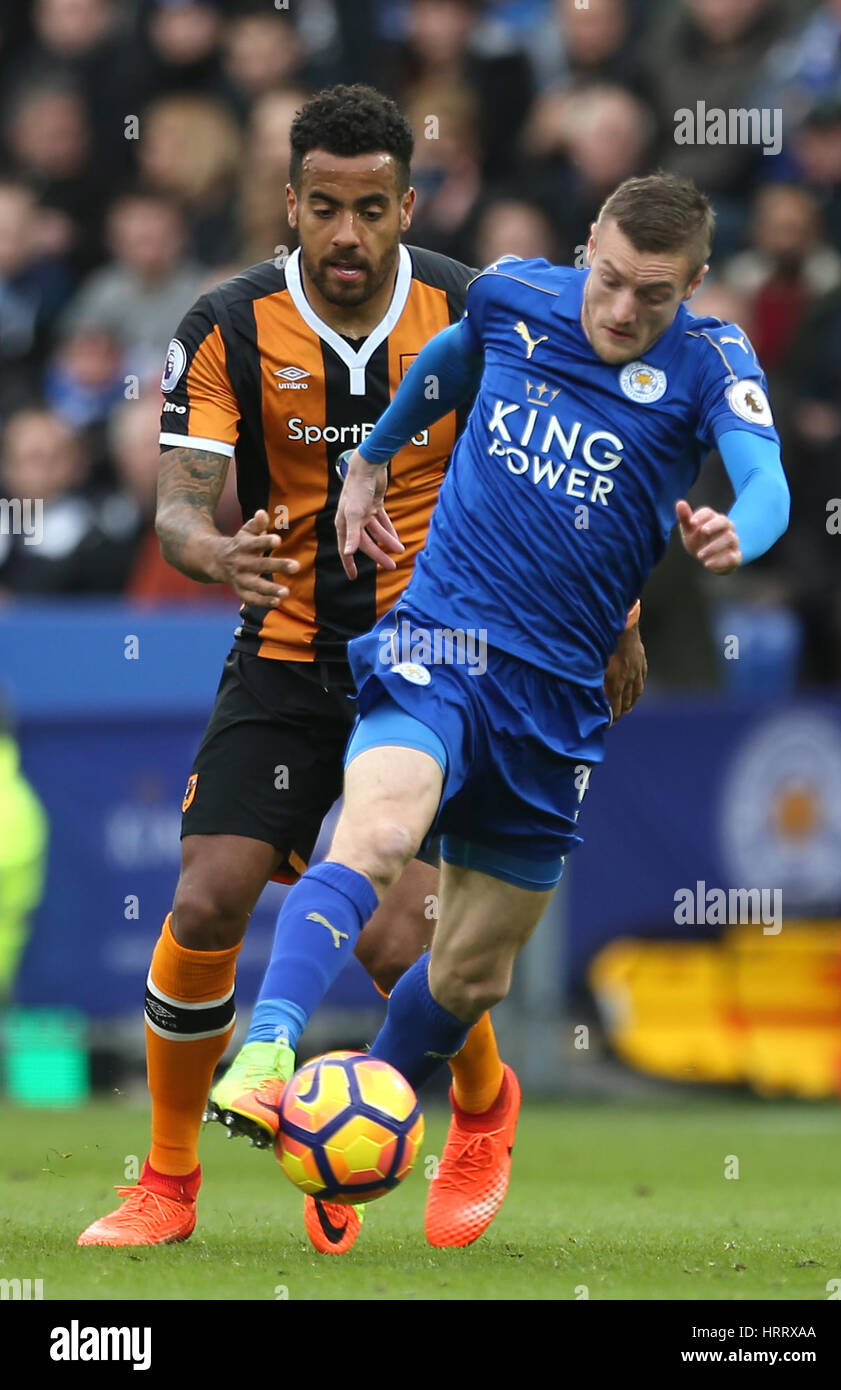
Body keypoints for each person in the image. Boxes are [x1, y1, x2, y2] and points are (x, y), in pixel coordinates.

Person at [76, 83, 648, 1255]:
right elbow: (178, 508)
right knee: (206, 898)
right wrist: (211, 550)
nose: (347, 233)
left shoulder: (477, 311)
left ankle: (480, 1109)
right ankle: (167, 1184)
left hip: (434, 664)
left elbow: (580, 471)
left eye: (371, 208)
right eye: (324, 207)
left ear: (406, 207)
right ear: (289, 203)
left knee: (400, 941)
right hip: (284, 656)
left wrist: (619, 613)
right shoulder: (225, 324)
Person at [251, 172, 790, 1236]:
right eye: (609, 279)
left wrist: (744, 531)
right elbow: (451, 361)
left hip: (558, 696)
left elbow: (765, 478)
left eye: (653, 294)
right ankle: (266, 1051)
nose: (621, 309)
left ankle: (432, 1120)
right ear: (587, 245)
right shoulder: (513, 294)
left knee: (468, 971)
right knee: (377, 830)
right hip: (440, 641)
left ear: (693, 286)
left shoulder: (712, 360)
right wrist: (370, 457)